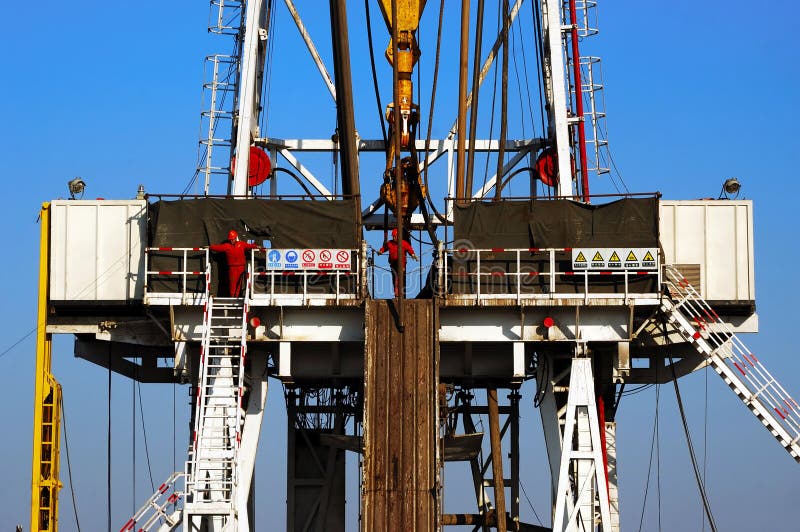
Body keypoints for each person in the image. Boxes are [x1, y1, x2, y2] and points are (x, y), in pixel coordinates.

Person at [209, 230, 259, 297]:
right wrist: (209, 247)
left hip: (241, 267)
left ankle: (236, 297)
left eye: (233, 239)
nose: (231, 241)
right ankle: (232, 297)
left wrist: (256, 246)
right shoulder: (227, 246)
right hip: (232, 268)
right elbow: (218, 248)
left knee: (239, 284)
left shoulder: (241, 244)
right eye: (230, 239)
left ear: (236, 238)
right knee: (232, 284)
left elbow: (249, 246)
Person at [379, 228, 417, 297]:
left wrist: (413, 255)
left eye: (395, 236)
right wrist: (380, 251)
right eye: (393, 236)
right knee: (395, 279)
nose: (394, 238)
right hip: (393, 264)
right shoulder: (390, 243)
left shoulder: (404, 243)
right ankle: (397, 294)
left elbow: (409, 249)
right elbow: (384, 248)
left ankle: (400, 294)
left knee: (400, 279)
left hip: (401, 264)